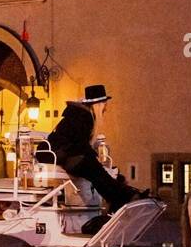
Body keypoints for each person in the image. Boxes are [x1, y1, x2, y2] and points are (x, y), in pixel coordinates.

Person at [46, 85, 145, 213]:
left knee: (97, 170)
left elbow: (77, 144)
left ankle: (119, 195)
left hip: (67, 155)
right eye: (104, 103)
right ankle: (120, 196)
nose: (106, 108)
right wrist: (93, 155)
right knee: (96, 170)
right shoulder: (84, 117)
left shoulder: (79, 115)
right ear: (97, 104)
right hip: (66, 156)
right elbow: (79, 144)